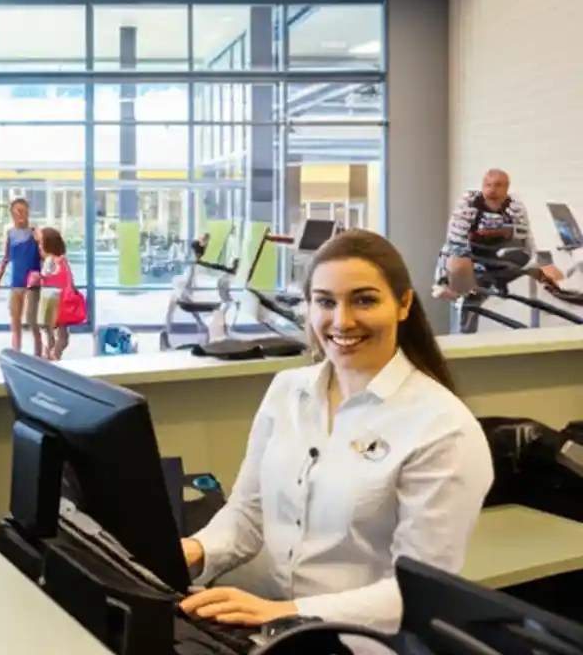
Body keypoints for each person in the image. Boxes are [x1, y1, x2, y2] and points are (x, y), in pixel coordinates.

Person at [178, 230, 494, 634]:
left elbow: (418, 594)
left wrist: (285, 612)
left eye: (364, 300)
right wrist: (194, 550)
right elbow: (248, 514)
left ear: (403, 304)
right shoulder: (287, 391)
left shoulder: (444, 429)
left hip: (358, 641)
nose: (342, 321)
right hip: (269, 628)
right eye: (325, 302)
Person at [434, 168, 563, 300]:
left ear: (507, 188)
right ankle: (455, 289)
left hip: (500, 257)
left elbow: (526, 238)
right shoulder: (469, 203)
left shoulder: (515, 207)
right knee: (458, 266)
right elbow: (456, 239)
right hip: (469, 256)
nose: (492, 189)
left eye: (498, 185)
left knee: (540, 266)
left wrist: (540, 263)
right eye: (488, 185)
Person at [0, 198, 43, 357]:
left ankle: (38, 354)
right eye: (17, 211)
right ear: (12, 214)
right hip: (16, 282)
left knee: (32, 321)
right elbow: (6, 257)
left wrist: (39, 242)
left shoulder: (35, 232)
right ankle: (16, 353)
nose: (20, 214)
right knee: (15, 320)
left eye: (23, 210)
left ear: (28, 212)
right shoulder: (10, 234)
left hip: (32, 284)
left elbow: (45, 257)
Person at [38, 226, 72, 361]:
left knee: (51, 338)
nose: (39, 247)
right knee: (62, 338)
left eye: (41, 243)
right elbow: (68, 281)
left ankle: (50, 358)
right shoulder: (60, 260)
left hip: (49, 301)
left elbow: (45, 278)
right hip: (58, 300)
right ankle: (53, 358)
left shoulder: (50, 261)